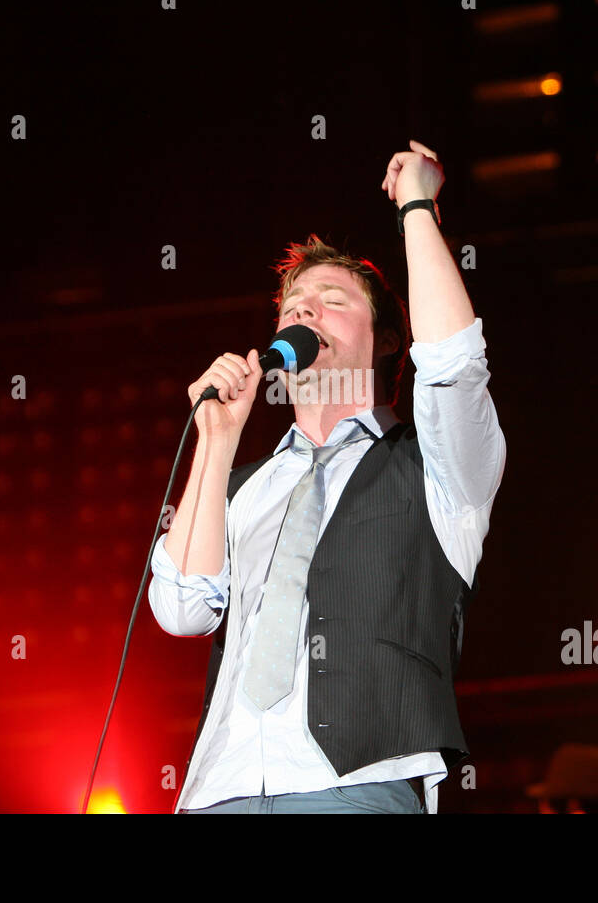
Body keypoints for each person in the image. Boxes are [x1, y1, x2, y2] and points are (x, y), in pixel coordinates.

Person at [148, 140, 506, 814]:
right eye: (293, 302)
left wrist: (417, 207)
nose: (304, 309)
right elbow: (182, 608)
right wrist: (217, 444)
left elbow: (454, 364)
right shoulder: (245, 484)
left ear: (389, 338)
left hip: (352, 788)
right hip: (216, 792)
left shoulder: (436, 468)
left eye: (332, 298)